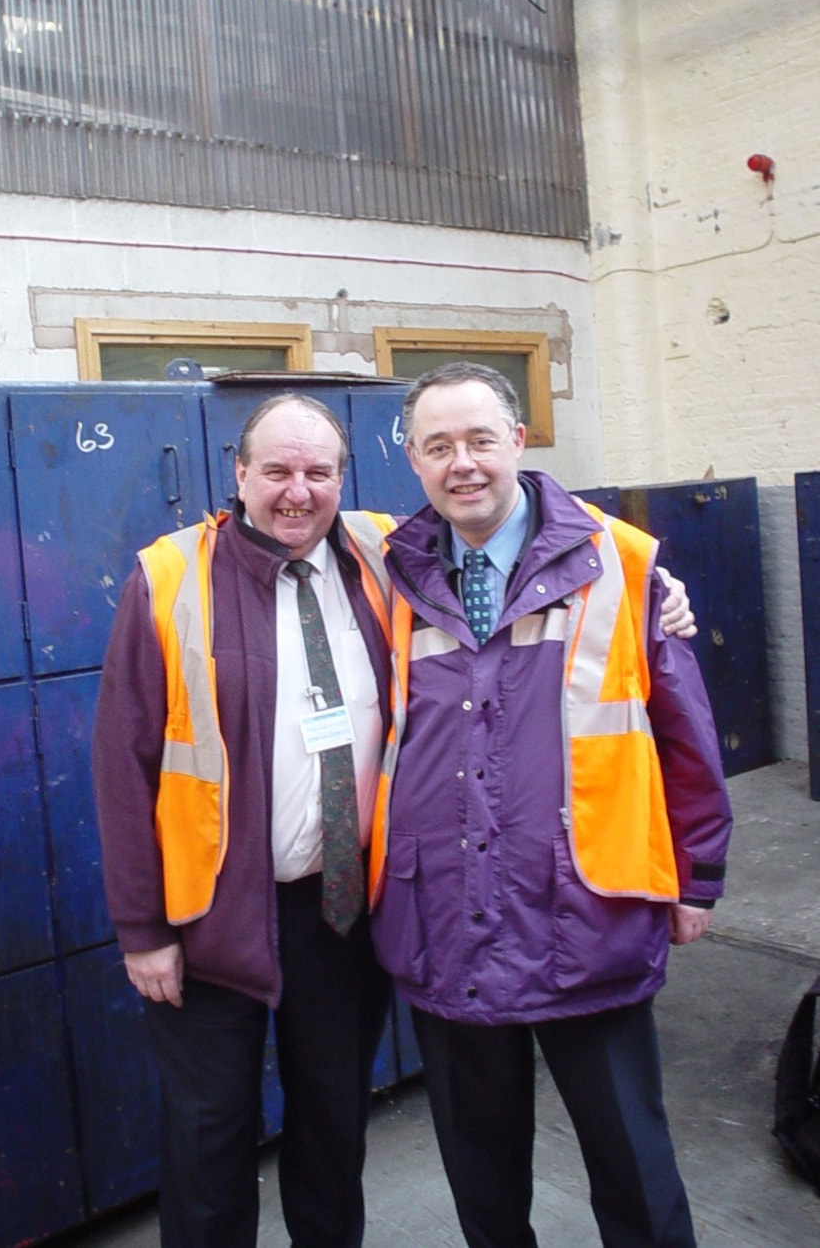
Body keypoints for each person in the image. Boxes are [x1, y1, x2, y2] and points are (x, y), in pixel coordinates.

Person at [92, 389, 696, 1248]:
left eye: (318, 471)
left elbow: (538, 539)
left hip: (341, 907)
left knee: (333, 1129)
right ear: (238, 474)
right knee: (207, 1139)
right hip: (212, 914)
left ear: (347, 476)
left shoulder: (388, 554)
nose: (296, 491)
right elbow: (122, 766)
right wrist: (141, 926)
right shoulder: (168, 577)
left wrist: (658, 586)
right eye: (276, 471)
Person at [368, 362, 733, 1248]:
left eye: (481, 439)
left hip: (588, 912)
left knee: (633, 1167)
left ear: (519, 441)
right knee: (483, 1182)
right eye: (439, 446)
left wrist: (697, 878)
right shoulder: (383, 573)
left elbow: (686, 738)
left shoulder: (625, 562)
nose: (464, 464)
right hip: (443, 916)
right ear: (412, 459)